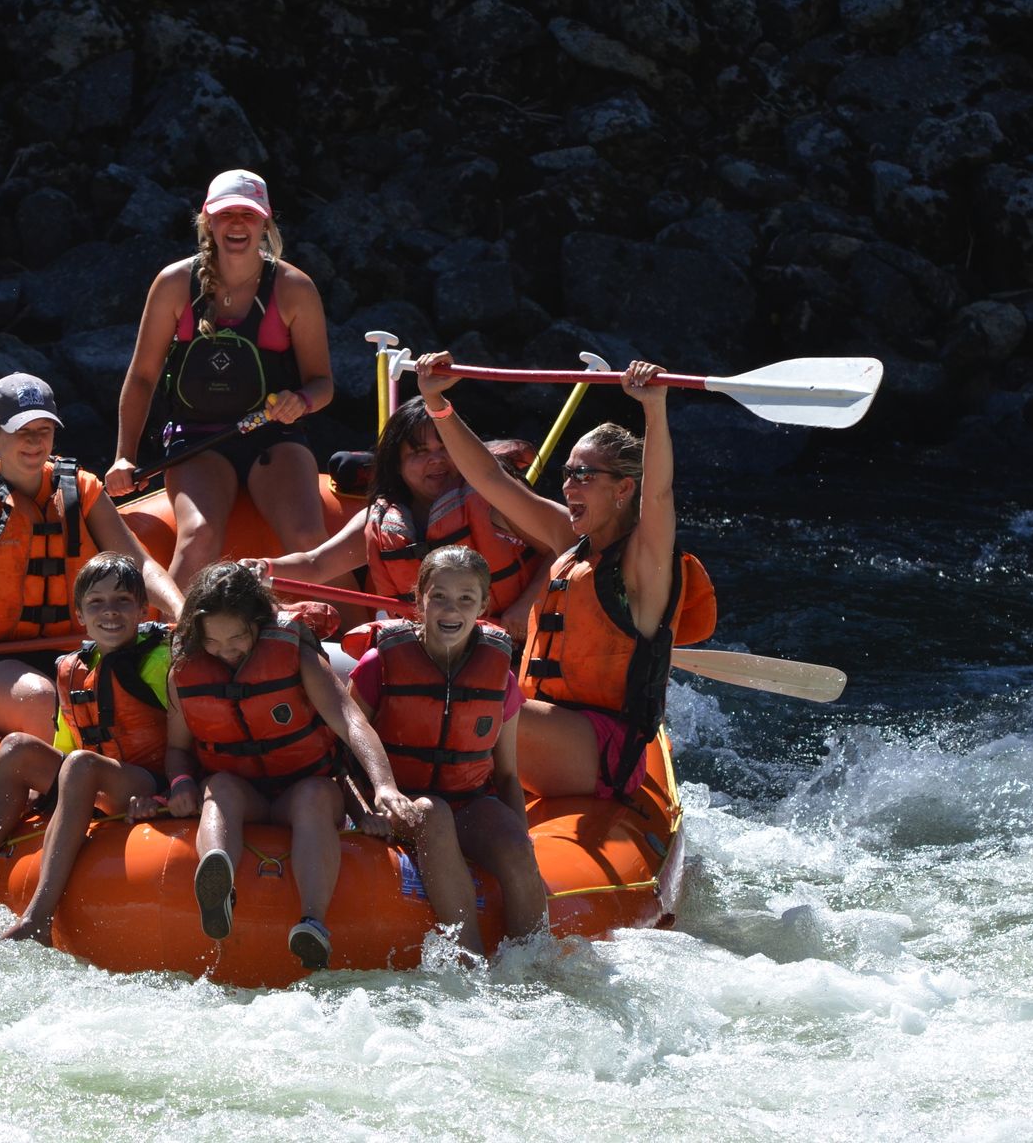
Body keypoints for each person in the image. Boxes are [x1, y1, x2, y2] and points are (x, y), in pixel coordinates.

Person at [410, 351, 714, 800]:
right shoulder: (567, 541)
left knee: (463, 691)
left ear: (624, 489)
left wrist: (654, 406)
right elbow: (490, 479)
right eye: (568, 473)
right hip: (545, 729)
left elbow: (661, 492)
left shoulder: (644, 565)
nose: (569, 485)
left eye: (585, 475)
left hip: (602, 752)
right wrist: (437, 403)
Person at [135, 561, 416, 970]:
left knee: (317, 794)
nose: (226, 651)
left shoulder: (293, 653)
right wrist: (180, 783)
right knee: (218, 787)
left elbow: (350, 720)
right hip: (243, 793)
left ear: (259, 624)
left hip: (303, 788)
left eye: (237, 639)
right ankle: (219, 881)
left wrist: (384, 785)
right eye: (213, 642)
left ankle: (313, 922)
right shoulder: (185, 671)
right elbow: (178, 749)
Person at [0, 372, 181, 739]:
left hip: (77, 649)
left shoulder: (82, 490)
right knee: (45, 699)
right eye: (21, 429)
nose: (34, 440)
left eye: (44, 428)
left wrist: (181, 609)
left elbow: (141, 566)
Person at [104, 170, 334, 586]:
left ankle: (362, 642)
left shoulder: (294, 288)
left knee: (306, 539)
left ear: (266, 223)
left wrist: (301, 400)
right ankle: (165, 644)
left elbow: (322, 384)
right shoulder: (174, 284)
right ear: (208, 220)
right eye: (227, 214)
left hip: (274, 438)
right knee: (199, 536)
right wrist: (125, 455)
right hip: (198, 440)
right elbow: (142, 377)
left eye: (249, 215)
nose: (238, 224)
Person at [0, 555, 172, 937]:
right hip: (92, 778)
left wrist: (177, 792)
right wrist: (35, 792)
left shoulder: (163, 662)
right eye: (96, 603)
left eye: (122, 601)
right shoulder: (73, 668)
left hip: (147, 784)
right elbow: (66, 744)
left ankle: (38, 919)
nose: (109, 612)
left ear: (144, 609)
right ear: (79, 614)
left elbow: (193, 738)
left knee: (81, 765)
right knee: (16, 748)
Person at [343, 546, 548, 957]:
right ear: (419, 599)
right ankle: (470, 962)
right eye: (438, 596)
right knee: (433, 813)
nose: (450, 610)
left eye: (465, 599)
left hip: (469, 804)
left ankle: (535, 965)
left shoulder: (500, 678)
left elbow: (507, 775)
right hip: (398, 806)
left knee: (511, 841)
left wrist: (521, 840)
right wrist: (364, 810)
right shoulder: (376, 664)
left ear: (484, 605)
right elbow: (341, 755)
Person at [252, 397, 551, 640]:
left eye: (445, 447)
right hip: (432, 651)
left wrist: (528, 605)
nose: (436, 459)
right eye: (419, 452)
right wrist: (261, 568)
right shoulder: (381, 519)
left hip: (512, 643)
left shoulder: (494, 499)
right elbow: (316, 565)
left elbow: (564, 546)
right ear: (397, 465)